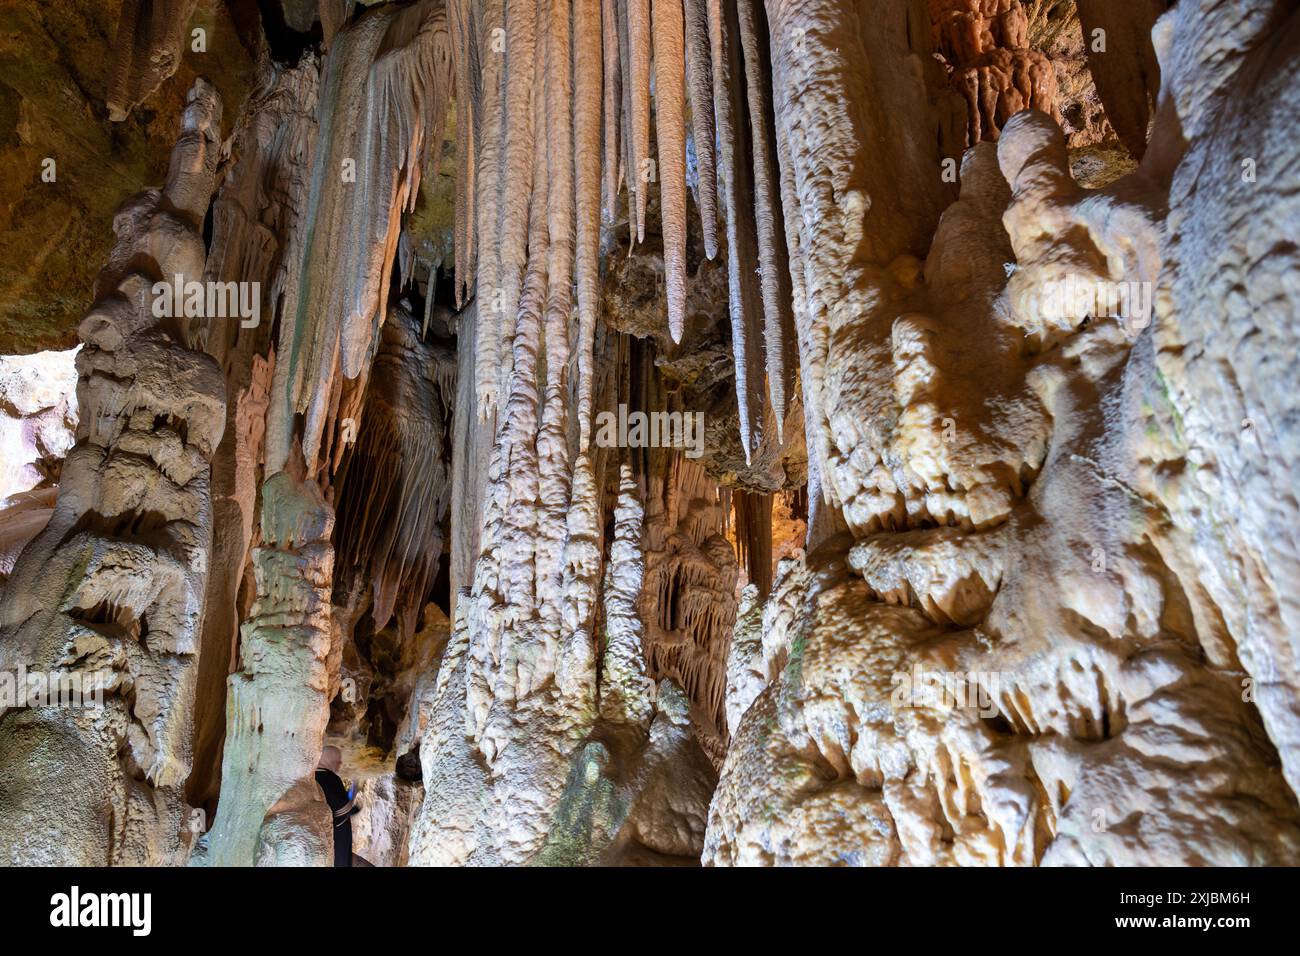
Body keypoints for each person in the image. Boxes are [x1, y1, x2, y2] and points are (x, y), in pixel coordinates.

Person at [314, 745, 360, 867]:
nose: (339, 765)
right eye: (337, 761)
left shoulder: (313, 776)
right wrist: (354, 800)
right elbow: (341, 808)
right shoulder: (330, 778)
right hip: (336, 830)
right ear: (330, 759)